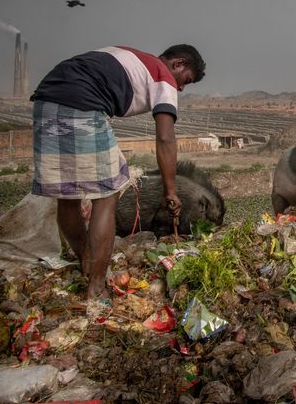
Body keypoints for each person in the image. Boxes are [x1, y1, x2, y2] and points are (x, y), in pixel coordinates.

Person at [30, 44, 205, 299]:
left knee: (68, 195)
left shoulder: (129, 54)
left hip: (46, 101)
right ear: (178, 64)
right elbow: (165, 138)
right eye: (185, 81)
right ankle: (97, 288)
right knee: (107, 195)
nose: (180, 88)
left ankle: (86, 263)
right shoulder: (163, 76)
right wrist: (170, 191)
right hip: (84, 106)